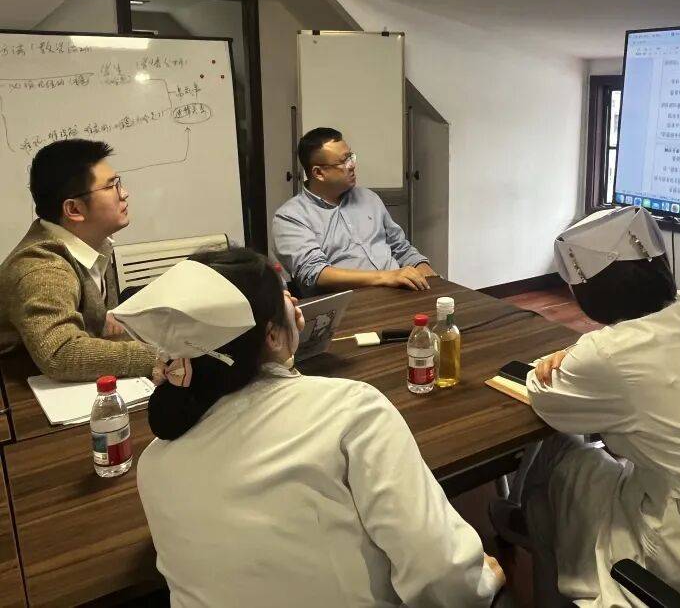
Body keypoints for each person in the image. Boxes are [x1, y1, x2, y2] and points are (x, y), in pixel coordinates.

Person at [128, 248, 505, 607]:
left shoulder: (154, 465)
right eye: (284, 295)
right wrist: (481, 580)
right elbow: (442, 575)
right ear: (271, 335)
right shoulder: (351, 411)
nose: (294, 301)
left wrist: (280, 347)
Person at [513, 207, 680, 607]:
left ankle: (527, 535)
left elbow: (543, 393)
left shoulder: (609, 354)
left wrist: (564, 359)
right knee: (598, 464)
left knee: (559, 458)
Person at [0, 139, 155, 381]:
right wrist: (159, 356)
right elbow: (60, 353)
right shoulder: (40, 267)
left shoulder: (93, 242)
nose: (124, 193)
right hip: (25, 394)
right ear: (74, 210)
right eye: (111, 186)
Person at [272, 127, 437, 296]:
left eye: (350, 156)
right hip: (347, 304)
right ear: (319, 173)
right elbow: (314, 273)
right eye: (343, 161)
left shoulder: (369, 198)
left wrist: (426, 271)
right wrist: (386, 277)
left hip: (398, 293)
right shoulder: (291, 216)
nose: (352, 165)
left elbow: (400, 247)